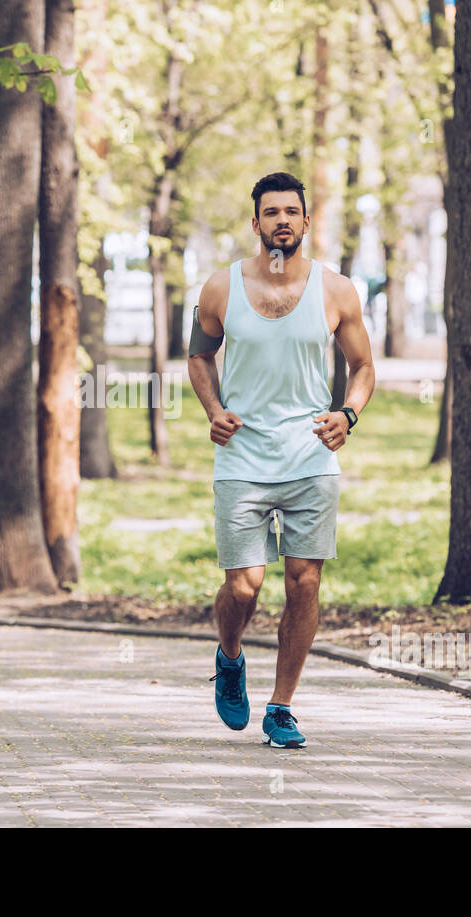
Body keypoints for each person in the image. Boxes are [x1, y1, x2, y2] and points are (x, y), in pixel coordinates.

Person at [186, 171, 375, 748]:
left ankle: (282, 707)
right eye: (271, 213)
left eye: (291, 212)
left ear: (306, 222)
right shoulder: (220, 288)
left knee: (304, 582)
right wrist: (212, 408)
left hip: (309, 456)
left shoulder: (337, 291)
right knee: (243, 587)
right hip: (242, 456)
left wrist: (347, 413)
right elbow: (198, 356)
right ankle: (230, 655)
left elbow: (363, 366)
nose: (282, 222)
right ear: (256, 224)